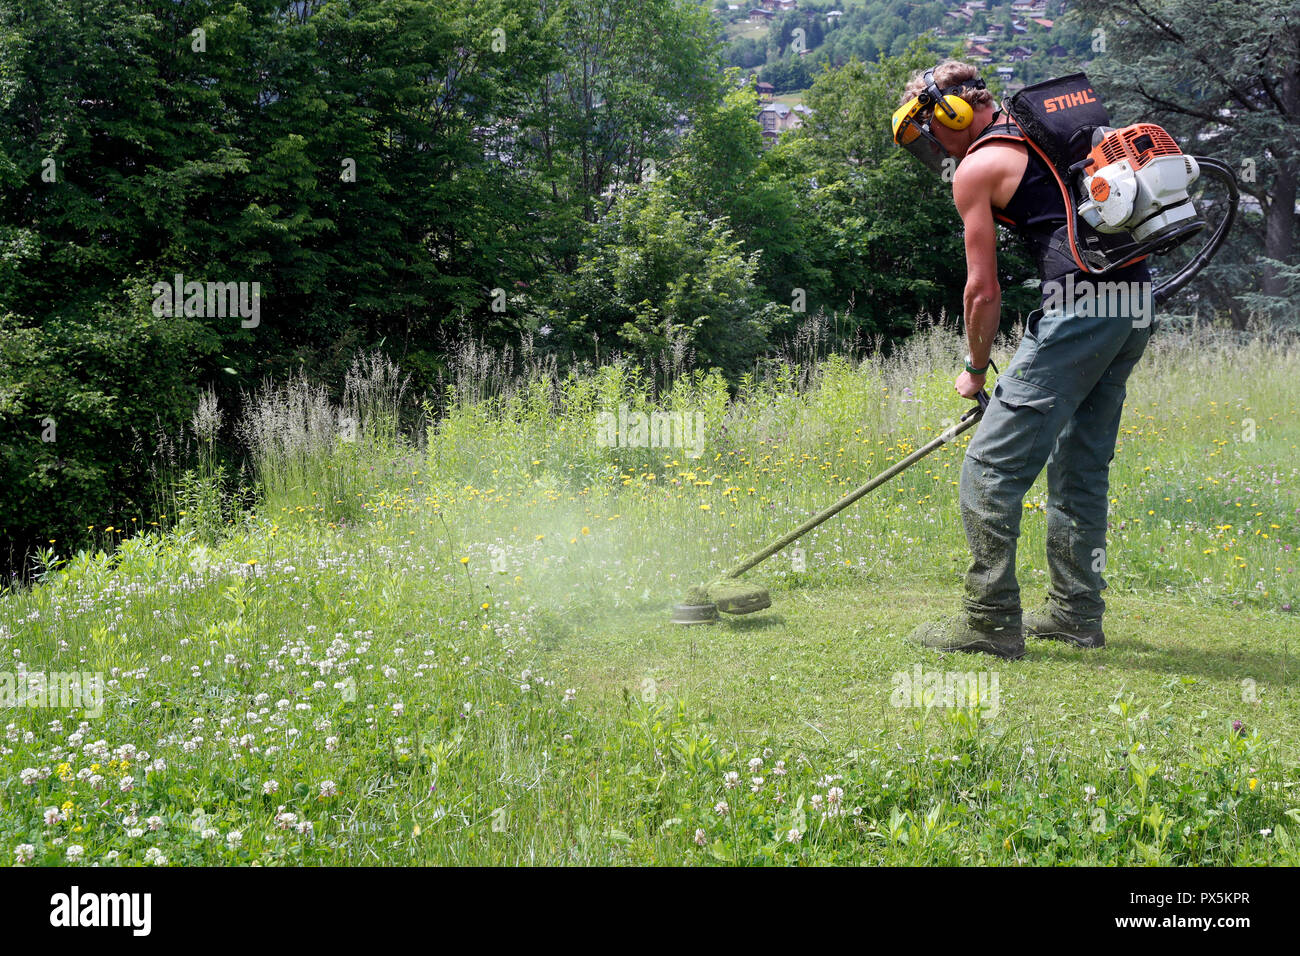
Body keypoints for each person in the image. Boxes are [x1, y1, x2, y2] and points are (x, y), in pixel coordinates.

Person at [892, 60, 1154, 659]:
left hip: (1083, 308)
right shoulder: (1036, 134)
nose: (934, 150)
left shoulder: (977, 169)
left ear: (952, 116)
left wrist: (974, 368)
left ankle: (988, 621)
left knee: (989, 468)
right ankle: (1075, 613)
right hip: (1134, 304)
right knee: (1079, 467)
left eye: (930, 134)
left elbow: (982, 291)